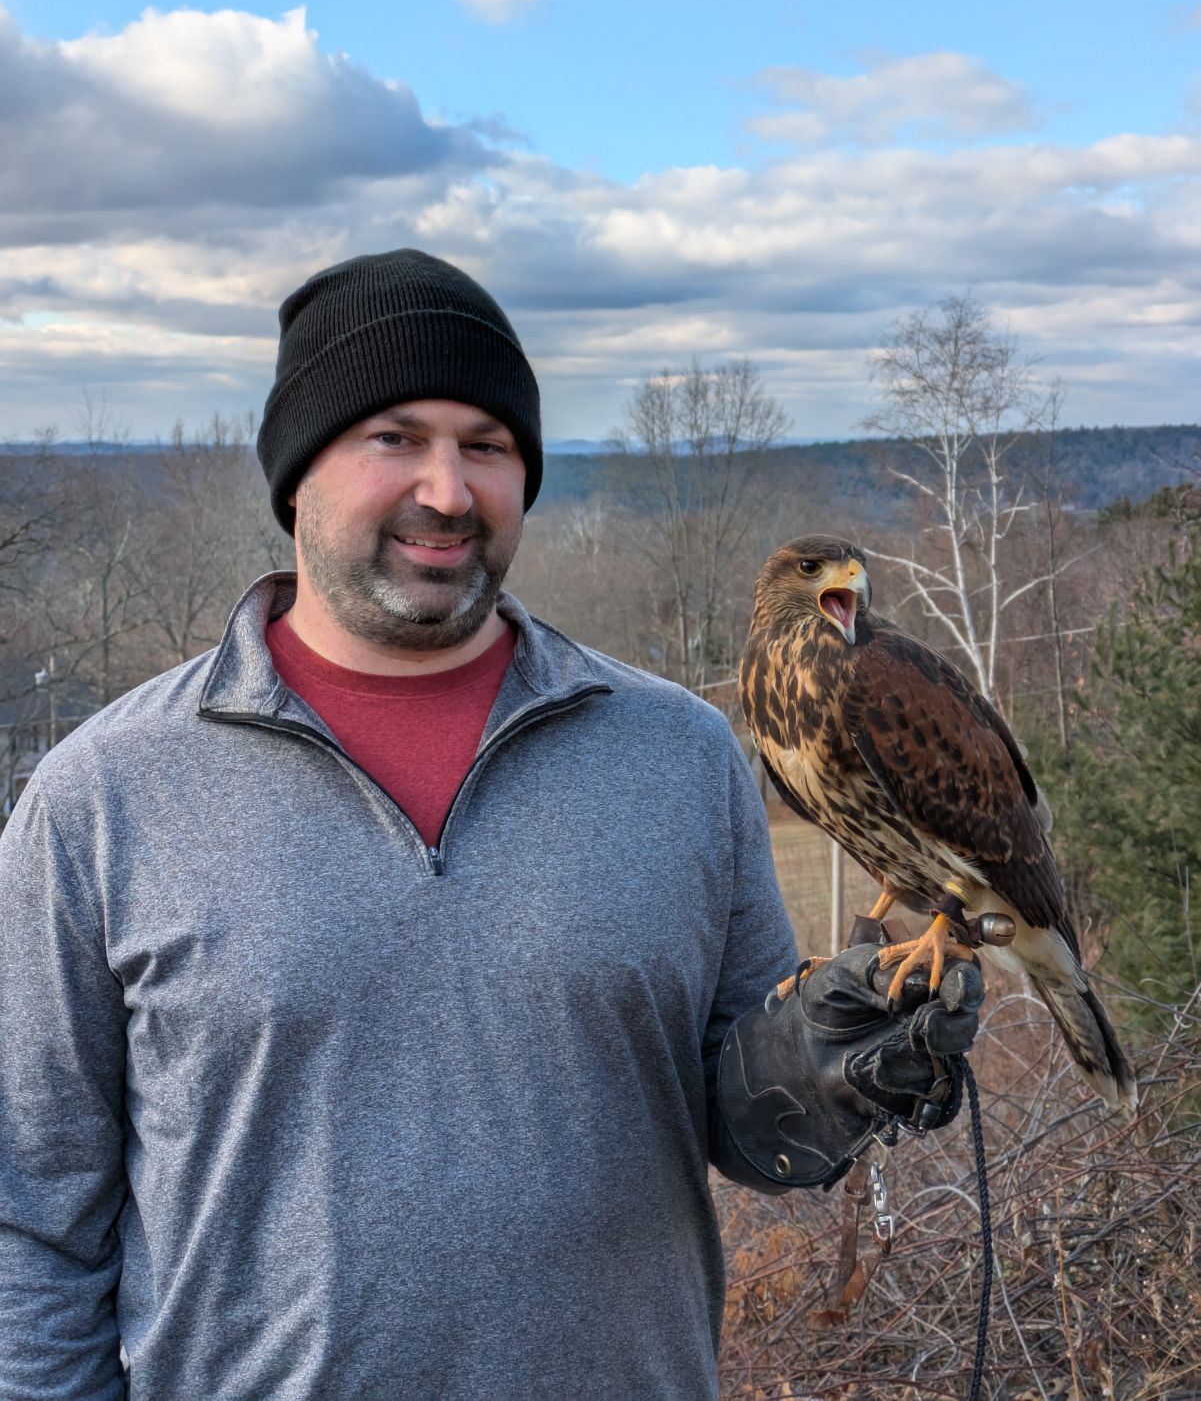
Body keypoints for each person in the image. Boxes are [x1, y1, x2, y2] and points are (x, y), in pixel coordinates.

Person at [0, 250, 981, 1399]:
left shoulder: (676, 754)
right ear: (297, 474)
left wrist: (832, 1076)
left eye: (487, 446)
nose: (448, 490)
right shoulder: (102, 796)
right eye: (394, 438)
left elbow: (744, 1120)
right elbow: (30, 1222)